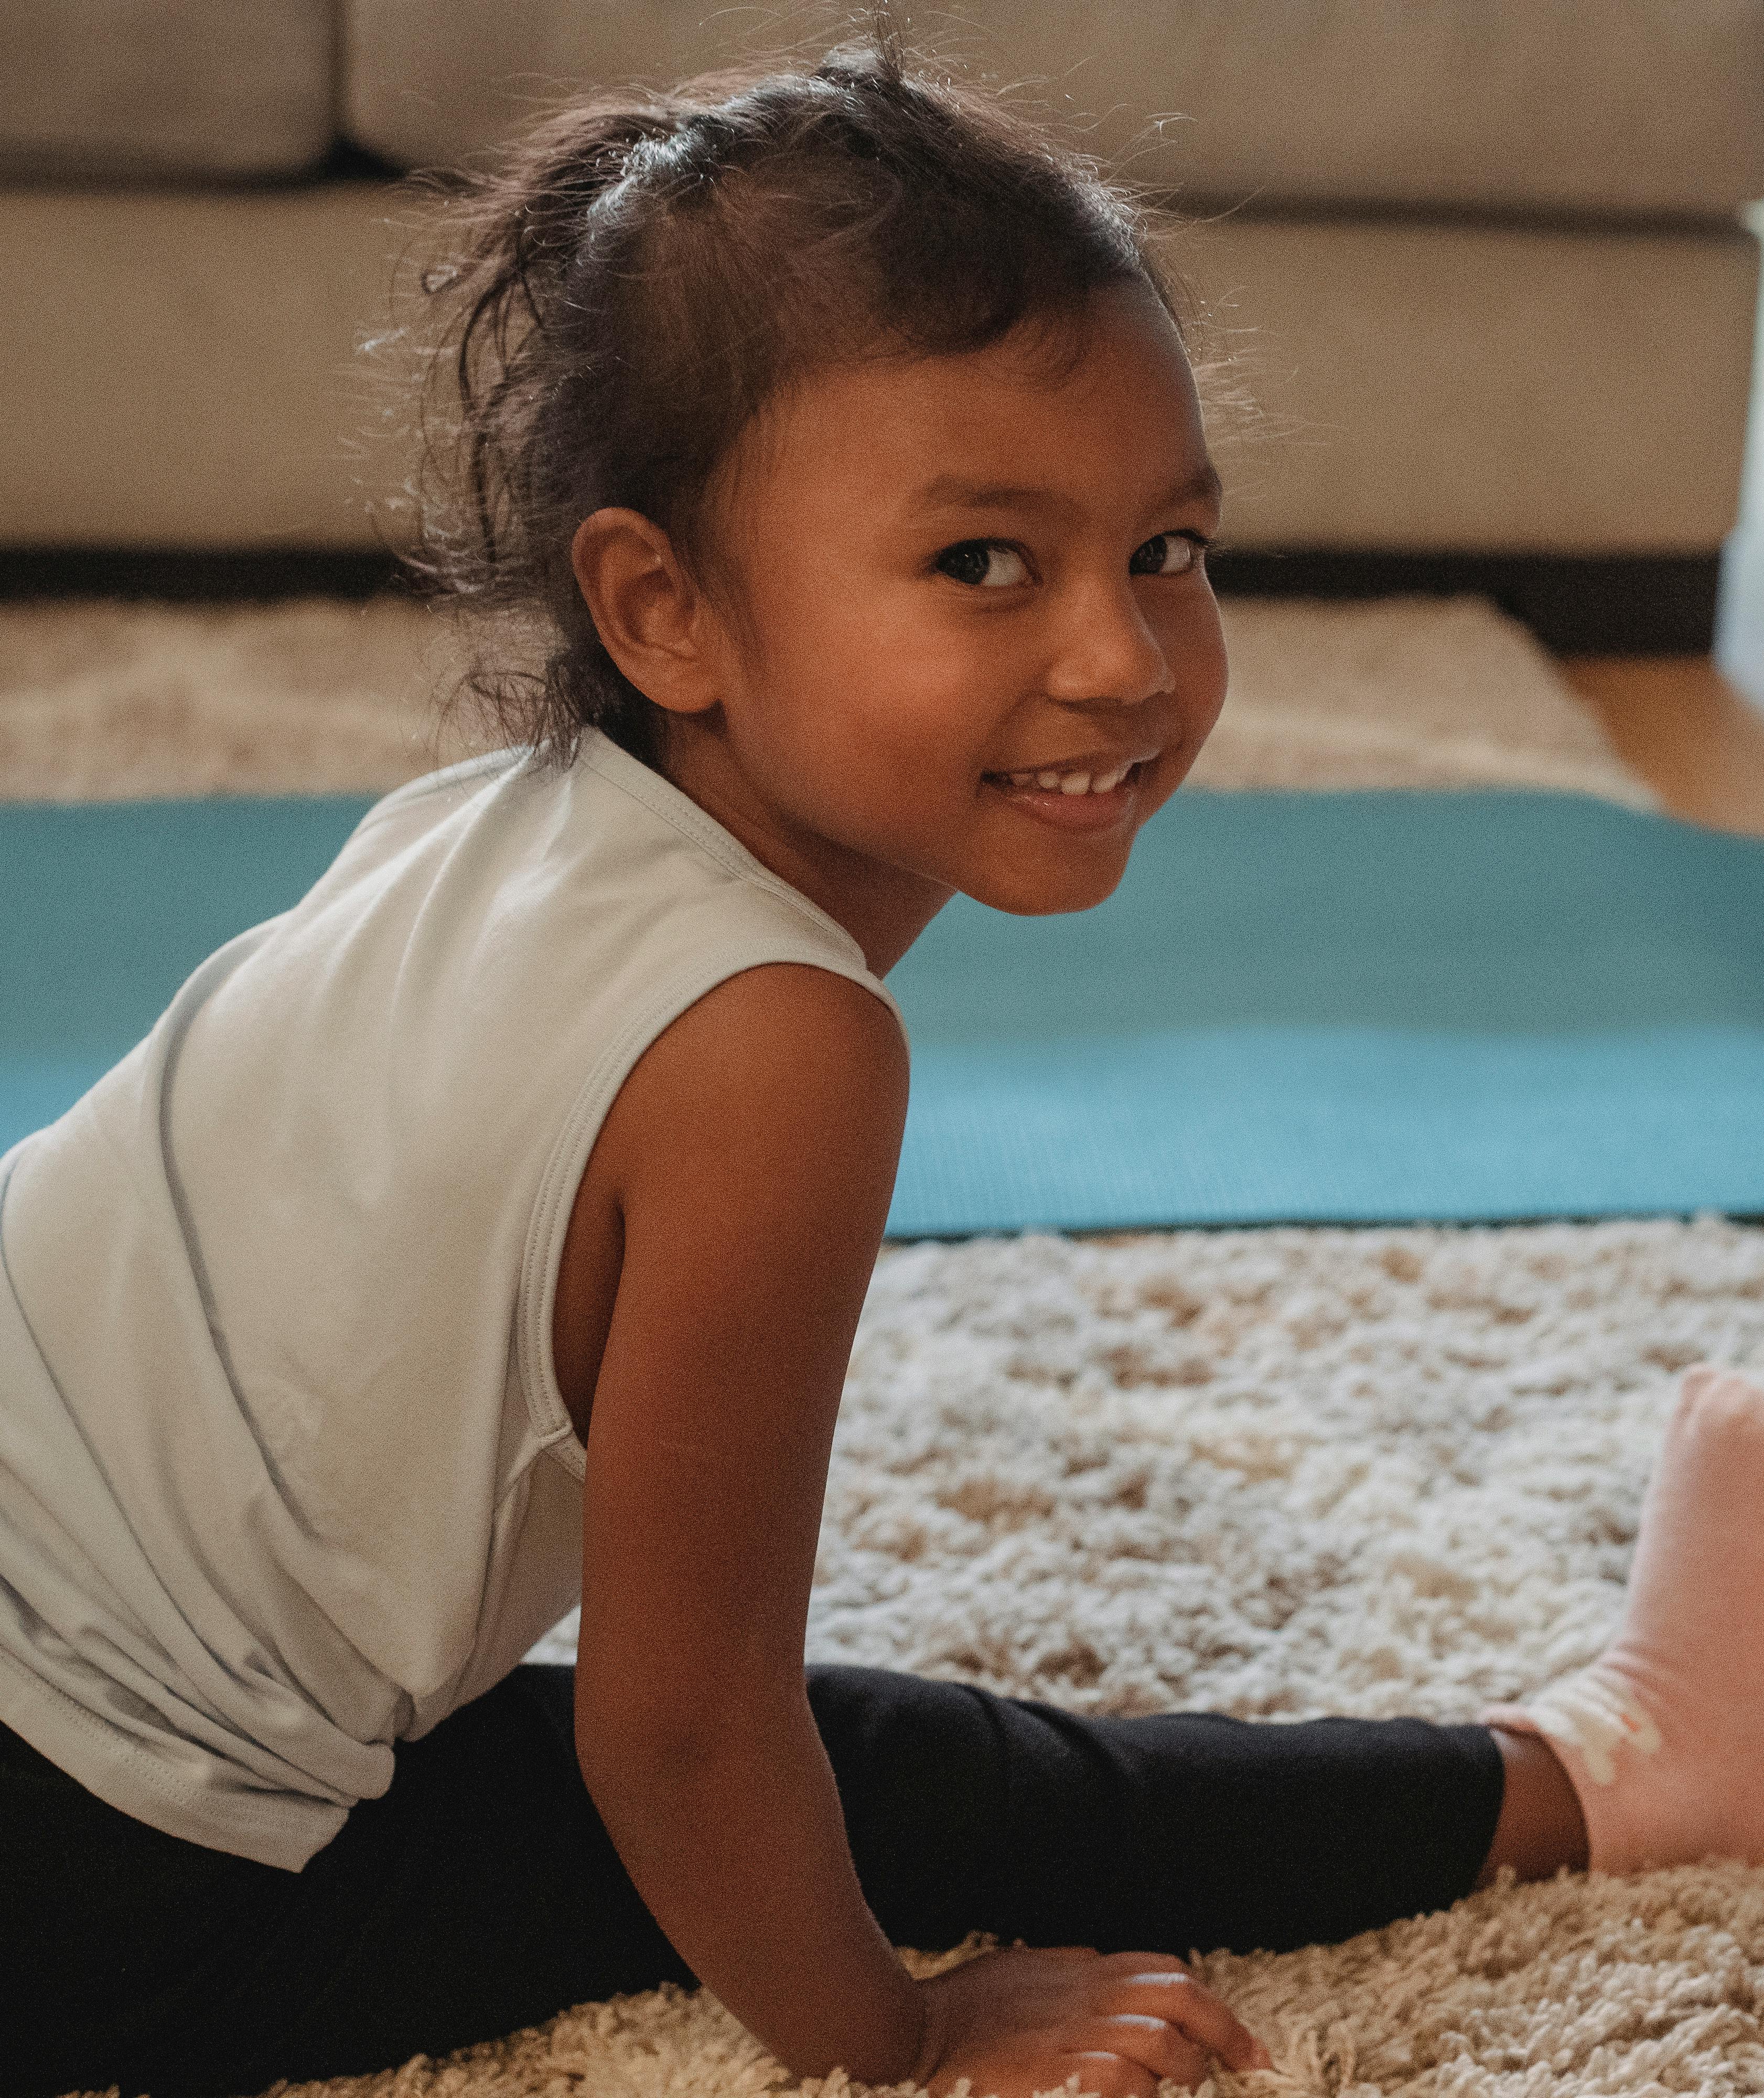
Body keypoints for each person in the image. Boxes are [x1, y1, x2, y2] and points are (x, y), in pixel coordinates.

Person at [4, 31, 1761, 2098]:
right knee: (884, 1783)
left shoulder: (494, 825)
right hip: (92, 1872)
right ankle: (1614, 1764)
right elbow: (683, 1722)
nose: (1120, 655)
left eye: (1166, 548)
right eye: (981, 563)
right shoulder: (776, 1049)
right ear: (664, 609)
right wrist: (896, 2022)